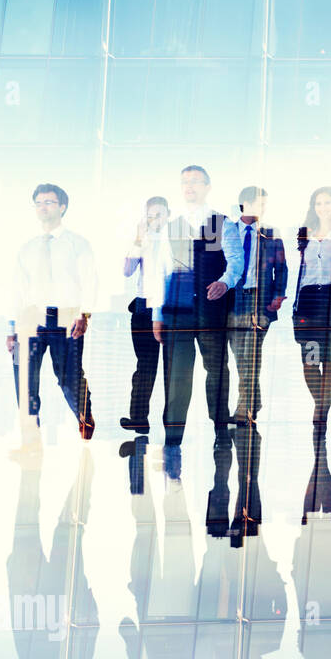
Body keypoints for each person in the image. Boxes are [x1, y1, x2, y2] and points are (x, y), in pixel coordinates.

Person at [155, 165, 239, 477]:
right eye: (185, 182)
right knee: (177, 374)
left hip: (210, 307)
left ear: (207, 186)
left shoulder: (221, 223)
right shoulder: (171, 226)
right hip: (177, 308)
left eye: (195, 182)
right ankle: (172, 438)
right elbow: (161, 270)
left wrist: (225, 282)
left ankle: (220, 428)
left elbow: (236, 262)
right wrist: (157, 314)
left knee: (216, 368)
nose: (189, 187)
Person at [8, 183, 98, 450]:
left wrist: (85, 315)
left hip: (66, 318)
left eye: (49, 202)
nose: (43, 207)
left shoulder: (78, 244)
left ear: (62, 207)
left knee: (69, 376)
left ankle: (84, 416)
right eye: (38, 202)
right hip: (30, 318)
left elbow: (90, 281)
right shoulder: (27, 247)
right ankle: (30, 435)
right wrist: (11, 329)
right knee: (25, 377)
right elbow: (17, 289)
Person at [221, 186, 287, 425]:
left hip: (260, 301)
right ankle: (254, 400)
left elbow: (281, 267)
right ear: (245, 204)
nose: (263, 208)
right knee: (240, 355)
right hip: (233, 299)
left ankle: (244, 409)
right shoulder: (227, 231)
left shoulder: (271, 233)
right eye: (259, 203)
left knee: (250, 354)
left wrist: (278, 295)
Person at [291, 186, 331, 430]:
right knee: (310, 359)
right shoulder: (304, 232)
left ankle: (322, 411)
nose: (323, 208)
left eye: (328, 203)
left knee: (329, 360)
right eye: (319, 203)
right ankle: (321, 402)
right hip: (308, 300)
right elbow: (302, 269)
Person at [120, 195, 169, 434]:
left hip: (169, 308)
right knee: (145, 365)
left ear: (168, 215)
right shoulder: (142, 240)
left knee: (171, 368)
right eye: (150, 214)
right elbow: (127, 271)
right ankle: (139, 418)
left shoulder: (174, 240)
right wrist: (138, 239)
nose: (155, 219)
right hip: (143, 307)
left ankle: (172, 421)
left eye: (159, 214)